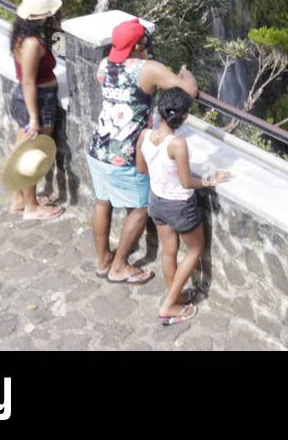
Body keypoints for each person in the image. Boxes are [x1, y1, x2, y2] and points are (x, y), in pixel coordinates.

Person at [88, 18, 197, 285]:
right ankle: (120, 266)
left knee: (103, 203)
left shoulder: (104, 65)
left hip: (98, 148)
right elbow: (188, 91)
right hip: (125, 153)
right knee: (140, 208)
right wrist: (185, 71)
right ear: (139, 44)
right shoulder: (146, 69)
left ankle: (103, 260)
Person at [137, 87, 231, 325]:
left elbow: (141, 169)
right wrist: (212, 179)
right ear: (185, 117)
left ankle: (176, 296)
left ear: (159, 109)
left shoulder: (144, 135)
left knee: (169, 251)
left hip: (156, 201)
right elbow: (187, 181)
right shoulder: (177, 144)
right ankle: (169, 305)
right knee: (194, 250)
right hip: (179, 206)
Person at [8, 0, 65, 221]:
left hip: (31, 98)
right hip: (37, 101)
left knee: (21, 152)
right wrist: (34, 117)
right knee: (31, 155)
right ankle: (31, 208)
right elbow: (29, 81)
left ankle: (18, 199)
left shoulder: (23, 35)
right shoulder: (31, 43)